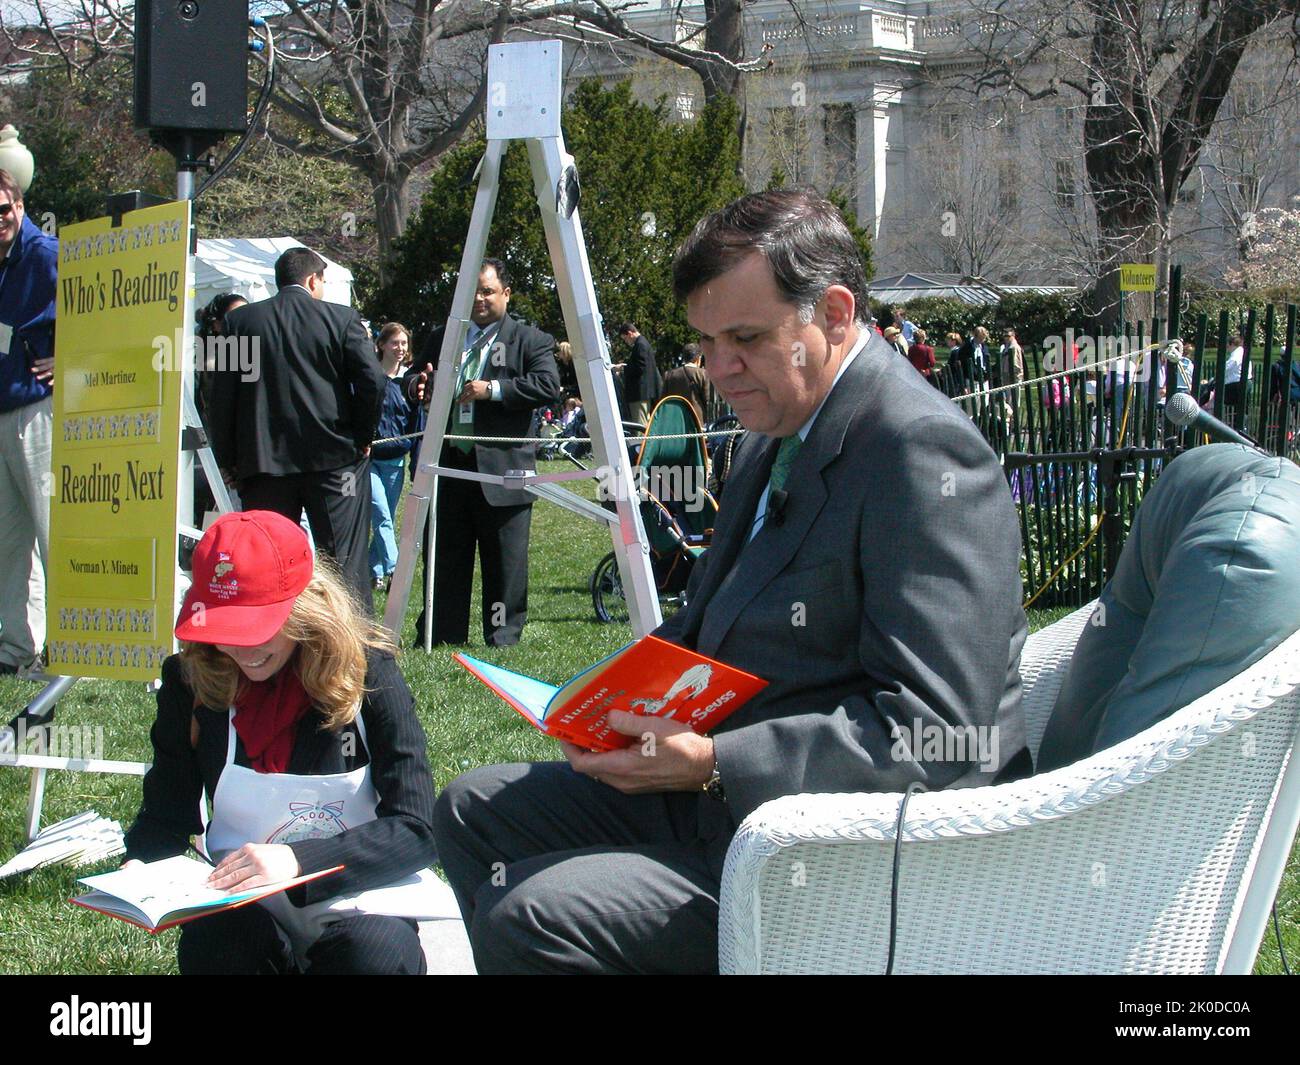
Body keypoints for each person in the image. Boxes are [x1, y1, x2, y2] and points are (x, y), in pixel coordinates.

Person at [433, 188, 1030, 974]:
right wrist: (613, 701)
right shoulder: (769, 432)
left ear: (837, 313)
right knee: (471, 810)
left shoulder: (920, 455)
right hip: (718, 804)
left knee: (536, 915)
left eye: (745, 338)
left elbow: (944, 730)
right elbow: (708, 619)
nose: (718, 370)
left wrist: (717, 761)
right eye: (707, 341)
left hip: (834, 857)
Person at [122, 510, 444, 974]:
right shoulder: (189, 682)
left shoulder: (369, 673)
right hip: (241, 904)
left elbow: (419, 828)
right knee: (214, 944)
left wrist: (298, 861)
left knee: (373, 956)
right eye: (225, 632)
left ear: (306, 606)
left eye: (258, 627)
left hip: (361, 899)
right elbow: (165, 816)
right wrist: (145, 864)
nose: (243, 650)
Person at [209, 248, 386, 608]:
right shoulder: (341, 319)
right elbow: (374, 381)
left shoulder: (239, 324)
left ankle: (269, 647)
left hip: (263, 465)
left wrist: (228, 459)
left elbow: (220, 396)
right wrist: (362, 435)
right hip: (335, 460)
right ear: (312, 280)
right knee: (344, 566)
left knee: (267, 565)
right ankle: (359, 654)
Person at [405, 258, 560, 647]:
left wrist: (491, 389)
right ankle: (442, 634)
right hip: (448, 467)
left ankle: (502, 636)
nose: (478, 299)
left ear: (505, 294)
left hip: (502, 470)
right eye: (471, 292)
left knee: (504, 562)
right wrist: (416, 387)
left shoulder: (530, 339)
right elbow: (412, 376)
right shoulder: (443, 338)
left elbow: (546, 385)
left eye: (487, 291)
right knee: (445, 557)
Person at [0, 167, 57, 677]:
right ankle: (18, 651)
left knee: (51, 532)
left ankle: (66, 645)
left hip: (39, 411)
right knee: (10, 541)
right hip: (4, 412)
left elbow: (103, 309)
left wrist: (73, 356)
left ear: (19, 204)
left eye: (4, 208)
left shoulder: (46, 253)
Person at [369, 323, 421, 590]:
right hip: (369, 459)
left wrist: (416, 461)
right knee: (380, 515)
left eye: (403, 343)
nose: (400, 348)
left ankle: (371, 571)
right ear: (381, 345)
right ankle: (395, 570)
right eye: (394, 343)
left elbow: (415, 423)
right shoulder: (369, 375)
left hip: (396, 461)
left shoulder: (410, 382)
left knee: (385, 516)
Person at [193, 293, 248, 524]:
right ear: (216, 323)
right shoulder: (206, 356)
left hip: (247, 451)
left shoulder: (249, 351)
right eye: (236, 314)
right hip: (213, 449)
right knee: (213, 517)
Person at [616, 321, 662, 426]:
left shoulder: (640, 345)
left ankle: (641, 443)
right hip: (645, 393)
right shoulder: (643, 343)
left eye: (625, 338)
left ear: (630, 333)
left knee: (640, 426)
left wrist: (623, 368)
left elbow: (640, 367)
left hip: (640, 393)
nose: (626, 342)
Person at [660, 342, 715, 424]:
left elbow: (663, 400)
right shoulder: (703, 374)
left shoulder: (669, 374)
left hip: (674, 420)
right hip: (696, 420)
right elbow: (708, 399)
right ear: (698, 359)